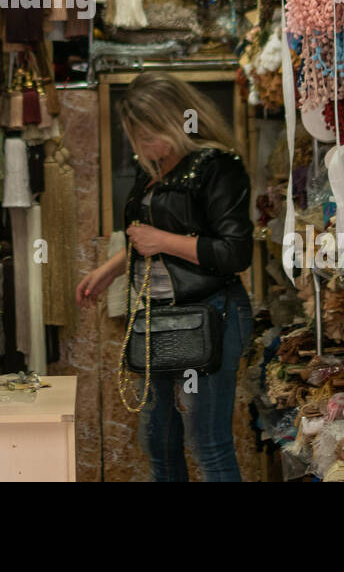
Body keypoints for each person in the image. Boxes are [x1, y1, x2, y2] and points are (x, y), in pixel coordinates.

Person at [76, 71, 255, 482]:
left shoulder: (217, 166)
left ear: (173, 121)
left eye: (147, 132)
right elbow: (145, 239)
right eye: (135, 134)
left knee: (207, 442)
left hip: (211, 314)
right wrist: (109, 270)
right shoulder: (154, 170)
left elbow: (234, 253)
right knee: (158, 439)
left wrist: (163, 240)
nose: (140, 144)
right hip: (159, 318)